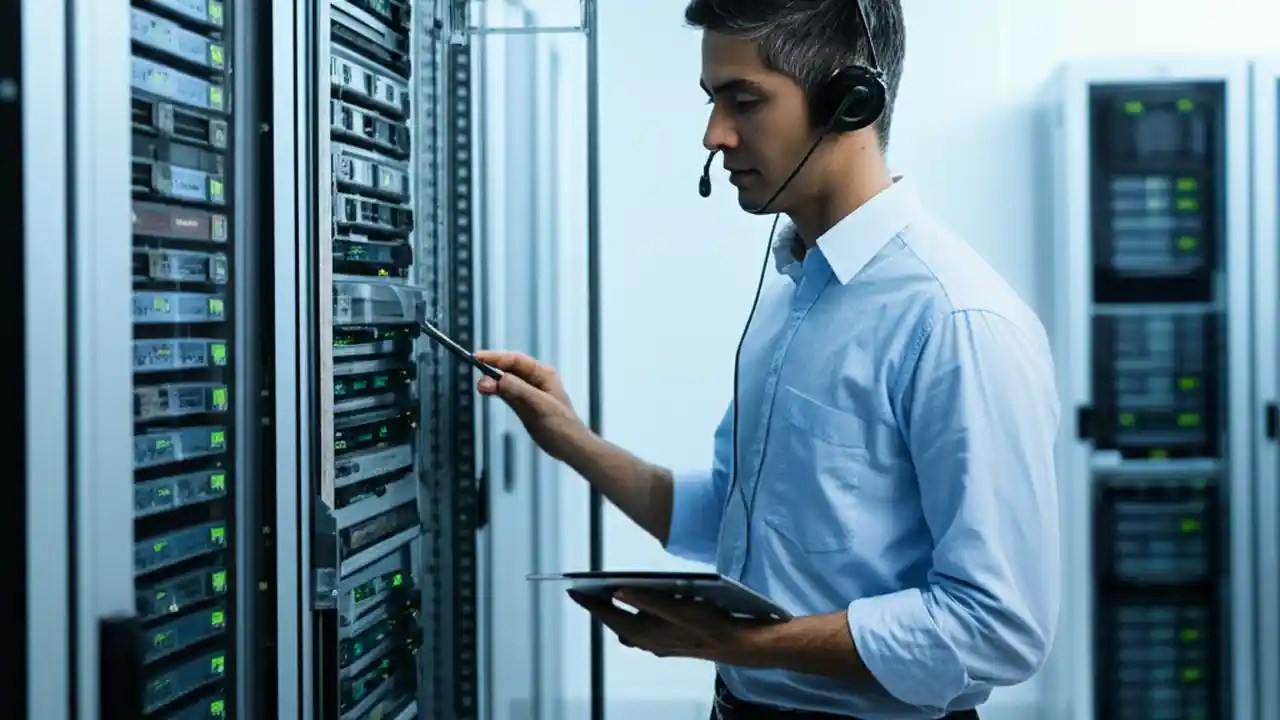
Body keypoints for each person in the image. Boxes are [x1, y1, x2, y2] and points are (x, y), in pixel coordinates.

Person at [474, 0, 1061, 718]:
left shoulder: (956, 321)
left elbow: (998, 628)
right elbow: (733, 516)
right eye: (713, 100)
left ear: (850, 102)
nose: (715, 135)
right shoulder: (792, 296)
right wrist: (571, 440)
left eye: (743, 101)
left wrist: (757, 646)